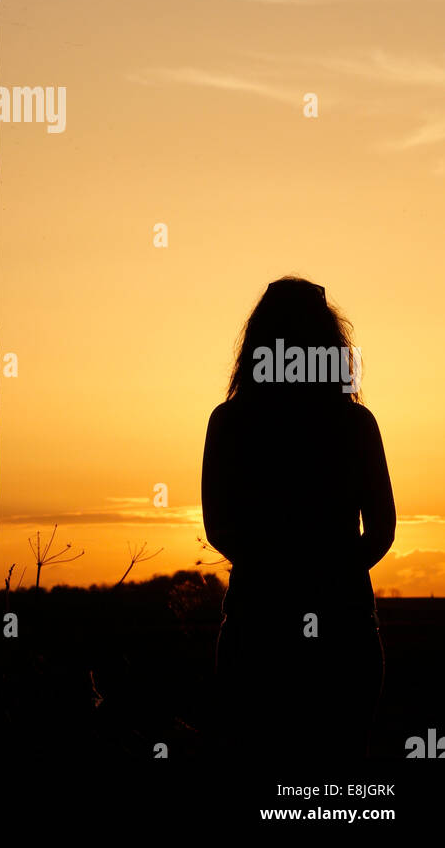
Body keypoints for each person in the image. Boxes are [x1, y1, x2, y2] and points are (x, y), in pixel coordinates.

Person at [201, 276, 396, 761]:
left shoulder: (230, 422)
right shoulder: (354, 424)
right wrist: (331, 571)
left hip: (259, 629)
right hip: (342, 629)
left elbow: (220, 526)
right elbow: (383, 529)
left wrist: (276, 568)